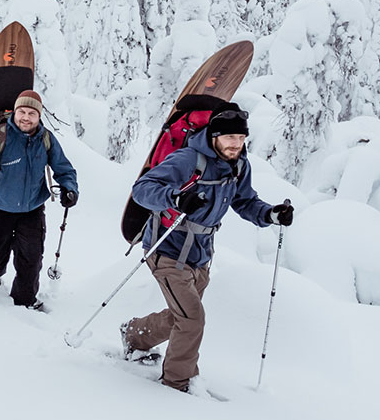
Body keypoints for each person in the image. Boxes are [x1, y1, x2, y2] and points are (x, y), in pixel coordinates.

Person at [120, 105, 293, 391]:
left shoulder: (239, 165)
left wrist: (270, 215)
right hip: (167, 250)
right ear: (214, 136)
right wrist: (175, 198)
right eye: (229, 138)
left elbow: (245, 201)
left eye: (240, 138)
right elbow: (142, 189)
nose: (236, 144)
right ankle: (177, 384)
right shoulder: (188, 159)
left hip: (200, 257)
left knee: (181, 316)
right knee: (192, 320)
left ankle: (134, 336)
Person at [0, 91, 79, 311]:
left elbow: (64, 169)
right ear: (15, 112)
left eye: (31, 113)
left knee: (32, 256)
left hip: (32, 209)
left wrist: (69, 189)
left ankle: (25, 300)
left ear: (39, 116)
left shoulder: (46, 140)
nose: (26, 117)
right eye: (22, 112)